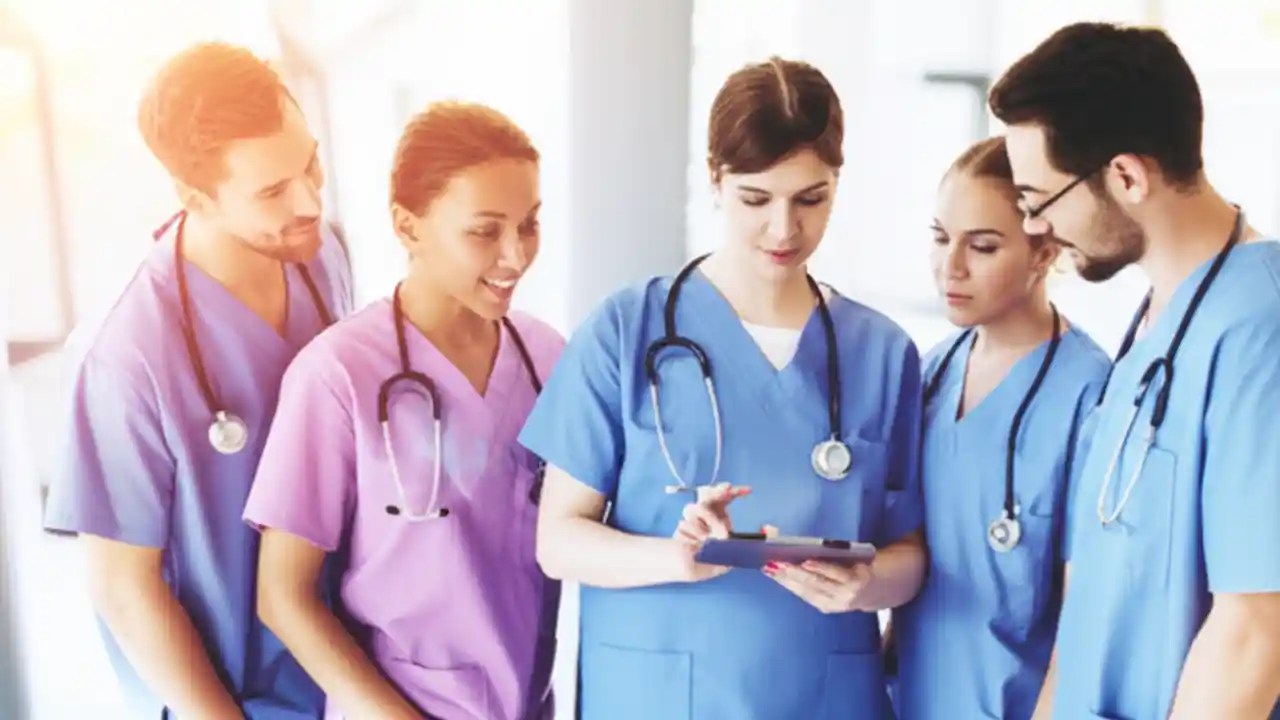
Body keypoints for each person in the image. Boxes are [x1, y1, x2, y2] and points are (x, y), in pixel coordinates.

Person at [518, 57, 925, 719]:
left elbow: (912, 556)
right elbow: (558, 540)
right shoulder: (628, 331)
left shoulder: (881, 353)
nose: (784, 229)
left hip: (823, 693)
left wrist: (867, 585)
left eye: (811, 198)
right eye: (756, 199)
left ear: (837, 183)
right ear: (715, 179)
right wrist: (676, 558)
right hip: (656, 693)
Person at [43, 42, 352, 718]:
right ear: (195, 198)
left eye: (310, 164)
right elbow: (125, 589)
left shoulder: (320, 255)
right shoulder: (126, 354)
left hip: (339, 671)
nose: (308, 201)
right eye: (272, 191)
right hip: (231, 696)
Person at [989, 22, 1280, 719]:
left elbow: (1256, 628)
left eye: (1038, 201)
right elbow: (1090, 599)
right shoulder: (1154, 325)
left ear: (1126, 175)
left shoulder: (1258, 326)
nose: (1034, 229)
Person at [244, 102, 561, 720]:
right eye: (484, 231)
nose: (515, 256)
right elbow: (282, 596)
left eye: (529, 225)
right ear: (408, 227)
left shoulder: (545, 355)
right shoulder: (338, 373)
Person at [889, 136, 1109, 719]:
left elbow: (1089, 606)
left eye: (982, 246)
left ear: (1045, 252)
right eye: (940, 238)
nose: (950, 267)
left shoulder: (1091, 393)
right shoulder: (932, 372)